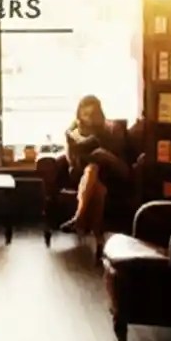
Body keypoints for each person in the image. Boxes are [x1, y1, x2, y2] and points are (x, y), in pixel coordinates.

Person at [59, 95, 131, 250]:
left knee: (99, 187)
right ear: (80, 115)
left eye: (94, 114)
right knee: (93, 174)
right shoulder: (73, 132)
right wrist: (73, 148)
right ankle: (98, 239)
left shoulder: (112, 130)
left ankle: (79, 218)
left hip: (108, 174)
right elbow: (71, 162)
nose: (90, 118)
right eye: (86, 114)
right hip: (80, 175)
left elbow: (122, 164)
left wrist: (105, 155)